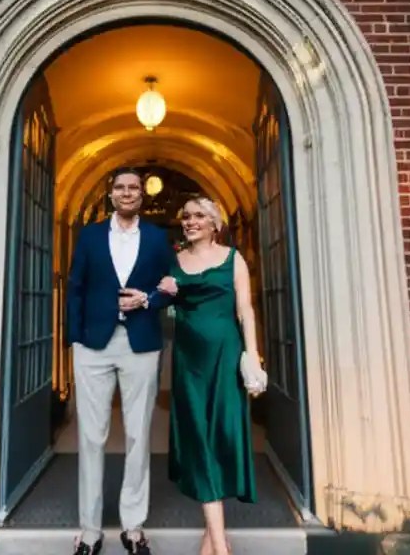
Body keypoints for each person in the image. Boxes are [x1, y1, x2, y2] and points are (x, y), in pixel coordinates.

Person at [65, 167, 176, 555]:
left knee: (138, 434)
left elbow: (172, 286)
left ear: (141, 196)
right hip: (92, 344)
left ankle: (133, 527)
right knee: (91, 436)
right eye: (119, 187)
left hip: (141, 344)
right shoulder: (90, 235)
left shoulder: (157, 238)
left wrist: (148, 299)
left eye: (133, 188)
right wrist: (75, 338)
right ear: (110, 194)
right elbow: (75, 287)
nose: (127, 192)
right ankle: (90, 530)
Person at [156, 197, 267, 555]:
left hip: (226, 357)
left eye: (198, 216)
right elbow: (160, 302)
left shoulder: (234, 259)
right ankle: (221, 545)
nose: (190, 221)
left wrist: (252, 355)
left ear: (214, 224)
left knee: (221, 435)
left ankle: (212, 538)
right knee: (198, 439)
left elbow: (245, 309)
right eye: (186, 216)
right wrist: (161, 292)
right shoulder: (174, 262)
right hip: (189, 361)